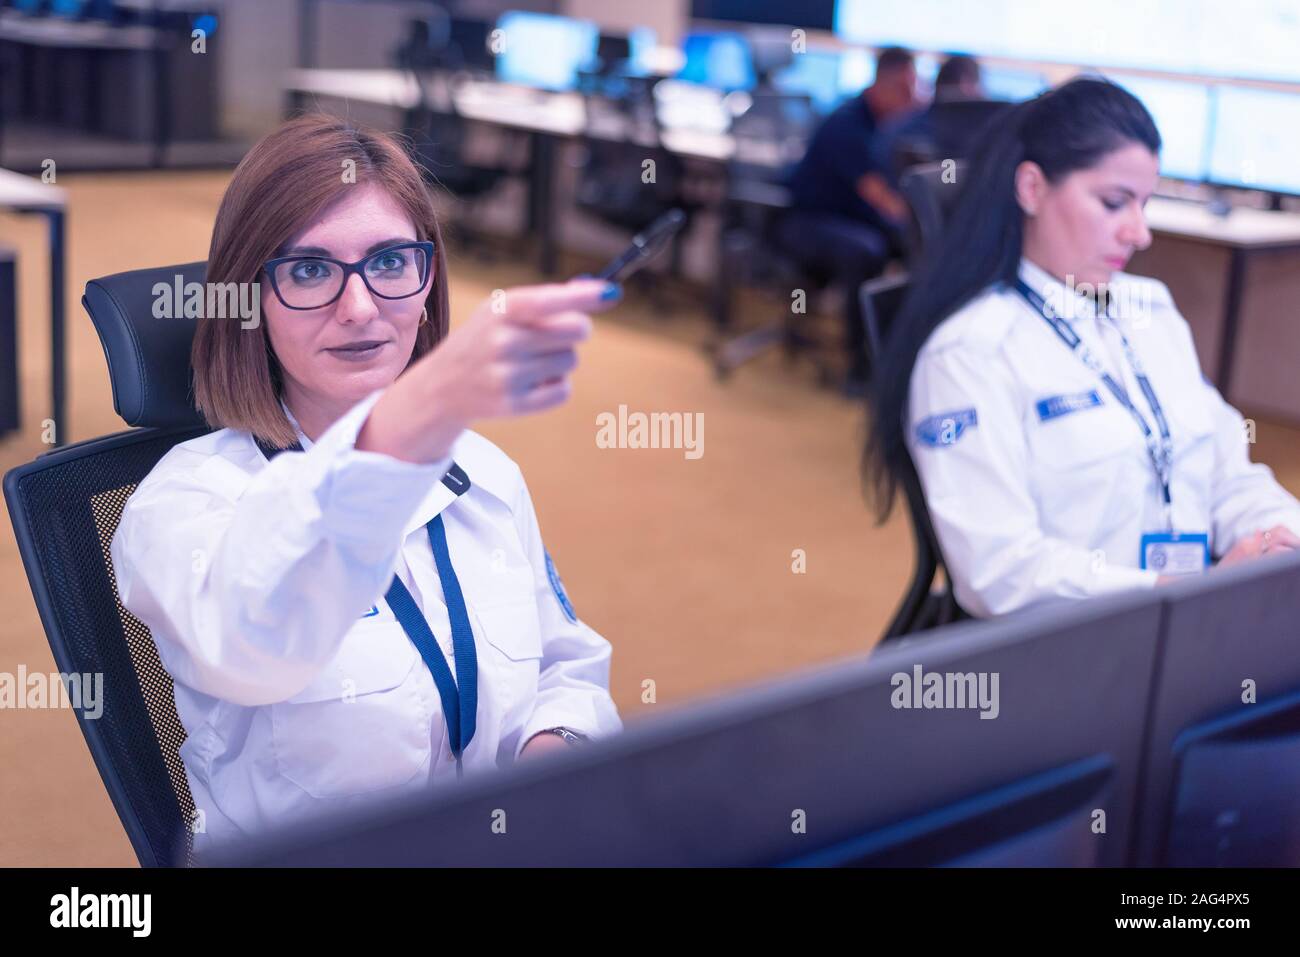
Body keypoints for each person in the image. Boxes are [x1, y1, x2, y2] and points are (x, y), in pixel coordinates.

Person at [110, 115, 624, 853]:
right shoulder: (182, 507)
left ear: (428, 278)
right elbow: (251, 641)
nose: (360, 308)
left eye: (389, 260)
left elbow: (565, 666)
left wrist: (552, 754)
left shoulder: (484, 471)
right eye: (310, 270)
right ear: (247, 298)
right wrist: (401, 428)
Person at [865, 78, 1300, 619]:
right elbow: (999, 571)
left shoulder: (1152, 310)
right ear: (1031, 189)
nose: (1139, 233)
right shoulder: (971, 352)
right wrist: (1177, 590)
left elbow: (1226, 475)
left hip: (1190, 615)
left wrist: (1281, 538)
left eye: (1144, 204)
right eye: (1114, 203)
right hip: (1081, 643)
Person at [779, 46, 922, 392]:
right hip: (806, 221)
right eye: (907, 89)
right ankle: (859, 366)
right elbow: (885, 201)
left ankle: (898, 361)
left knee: (908, 248)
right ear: (883, 84)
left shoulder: (882, 126)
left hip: (846, 219)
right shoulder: (849, 126)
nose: (915, 98)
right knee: (868, 252)